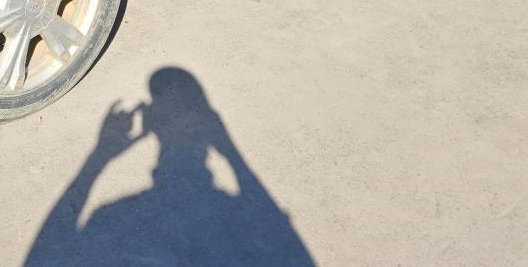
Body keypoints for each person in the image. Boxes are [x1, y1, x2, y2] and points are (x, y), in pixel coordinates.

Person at [25, 68, 315, 266]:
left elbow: (38, 256)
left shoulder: (110, 218)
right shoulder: (233, 218)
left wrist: (99, 157)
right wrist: (229, 150)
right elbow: (280, 232)